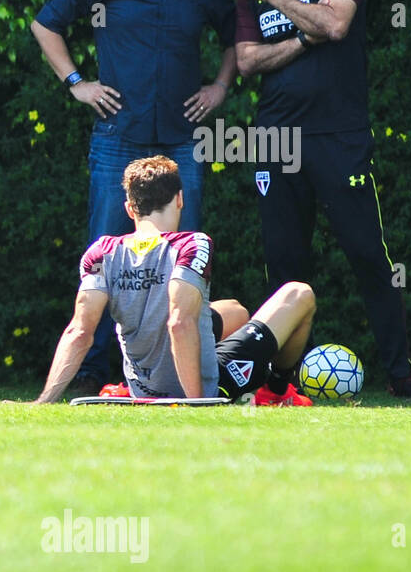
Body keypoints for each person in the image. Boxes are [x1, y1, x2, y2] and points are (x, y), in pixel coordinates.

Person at [221, 0, 411, 397]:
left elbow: (337, 24)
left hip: (338, 134)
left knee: (367, 252)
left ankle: (401, 372)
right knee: (284, 264)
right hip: (274, 138)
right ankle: (279, 382)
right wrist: (303, 29)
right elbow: (249, 62)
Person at [32, 0, 237, 395]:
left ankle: (182, 373)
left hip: (182, 142)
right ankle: (93, 371)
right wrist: (77, 84)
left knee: (186, 254)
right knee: (103, 254)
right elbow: (45, 24)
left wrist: (219, 86)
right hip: (116, 140)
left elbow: (240, 36)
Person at [32, 155, 316, 405]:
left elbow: (79, 331)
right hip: (204, 389)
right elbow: (179, 323)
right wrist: (198, 403)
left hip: (142, 389)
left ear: (130, 208)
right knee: (299, 293)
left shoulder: (102, 251)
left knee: (235, 310)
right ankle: (278, 389)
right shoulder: (192, 244)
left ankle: (141, 385)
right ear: (180, 199)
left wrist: (44, 401)